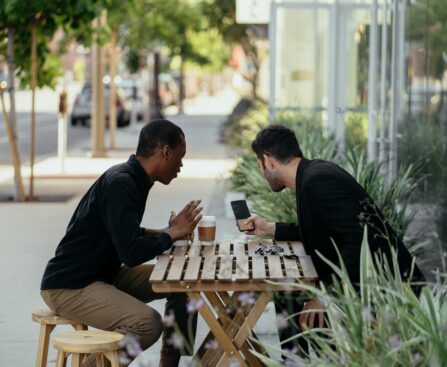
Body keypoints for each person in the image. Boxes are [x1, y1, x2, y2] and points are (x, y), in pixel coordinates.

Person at [243, 125, 425, 353]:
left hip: (382, 292)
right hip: (363, 284)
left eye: (260, 166)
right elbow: (324, 229)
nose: (262, 172)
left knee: (293, 303)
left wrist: (326, 295)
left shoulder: (316, 182)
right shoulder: (313, 174)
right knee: (287, 295)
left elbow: (360, 239)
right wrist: (271, 228)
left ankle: (308, 359)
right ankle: (298, 360)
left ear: (268, 161)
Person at [40, 119, 202, 367]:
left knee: (182, 284)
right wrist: (169, 235)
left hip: (104, 276)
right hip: (70, 286)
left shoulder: (136, 179)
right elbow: (131, 252)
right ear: (165, 152)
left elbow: (120, 230)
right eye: (180, 157)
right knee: (147, 324)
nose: (181, 165)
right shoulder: (122, 182)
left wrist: (168, 231)